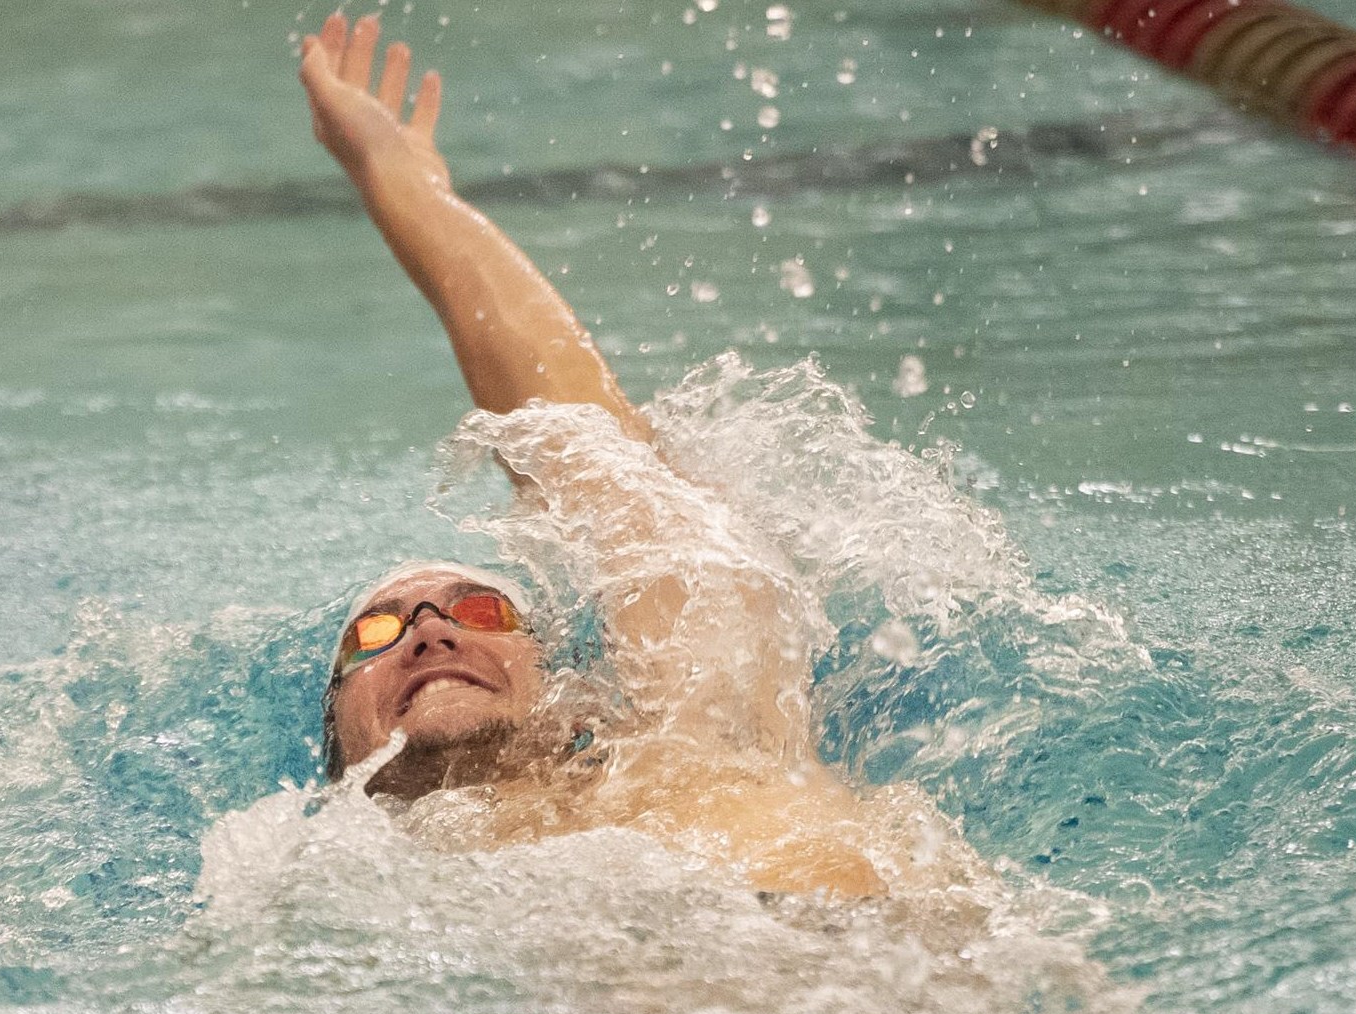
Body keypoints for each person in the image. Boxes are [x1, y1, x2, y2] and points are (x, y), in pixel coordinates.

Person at [299, 12, 990, 903]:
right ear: (336, 749)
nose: (432, 629)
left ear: (572, 695)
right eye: (378, 632)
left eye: (479, 608)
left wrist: (405, 185)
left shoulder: (697, 738)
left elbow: (586, 452)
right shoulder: (321, 892)